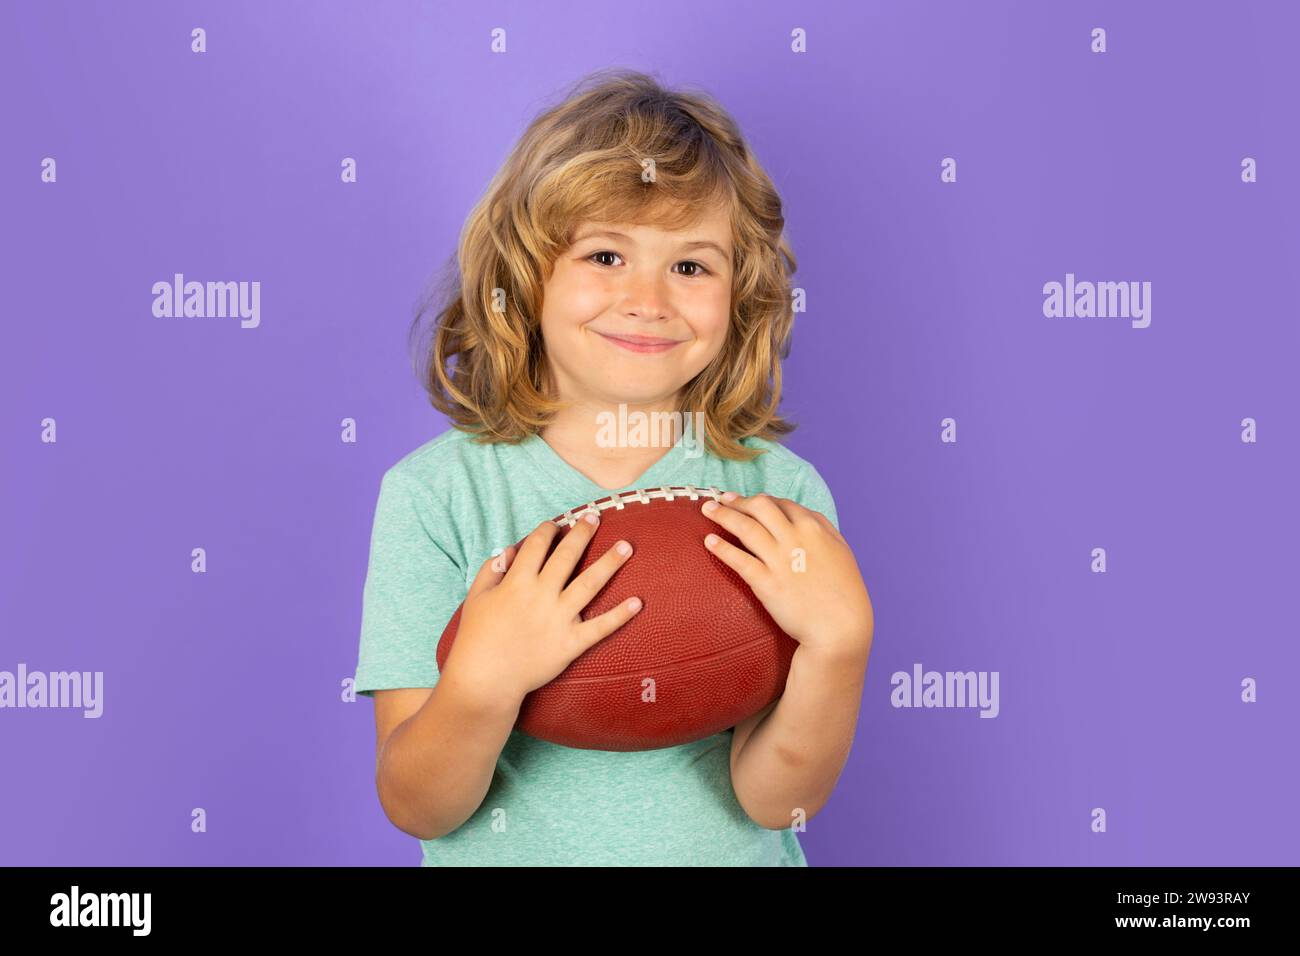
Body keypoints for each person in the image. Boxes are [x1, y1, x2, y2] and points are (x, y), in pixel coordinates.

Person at [354, 68, 874, 866]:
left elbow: (778, 800)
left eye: (691, 267)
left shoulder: (779, 498)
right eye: (604, 254)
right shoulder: (436, 496)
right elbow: (418, 803)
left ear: (741, 297)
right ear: (525, 280)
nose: (648, 298)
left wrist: (840, 647)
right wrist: (484, 680)